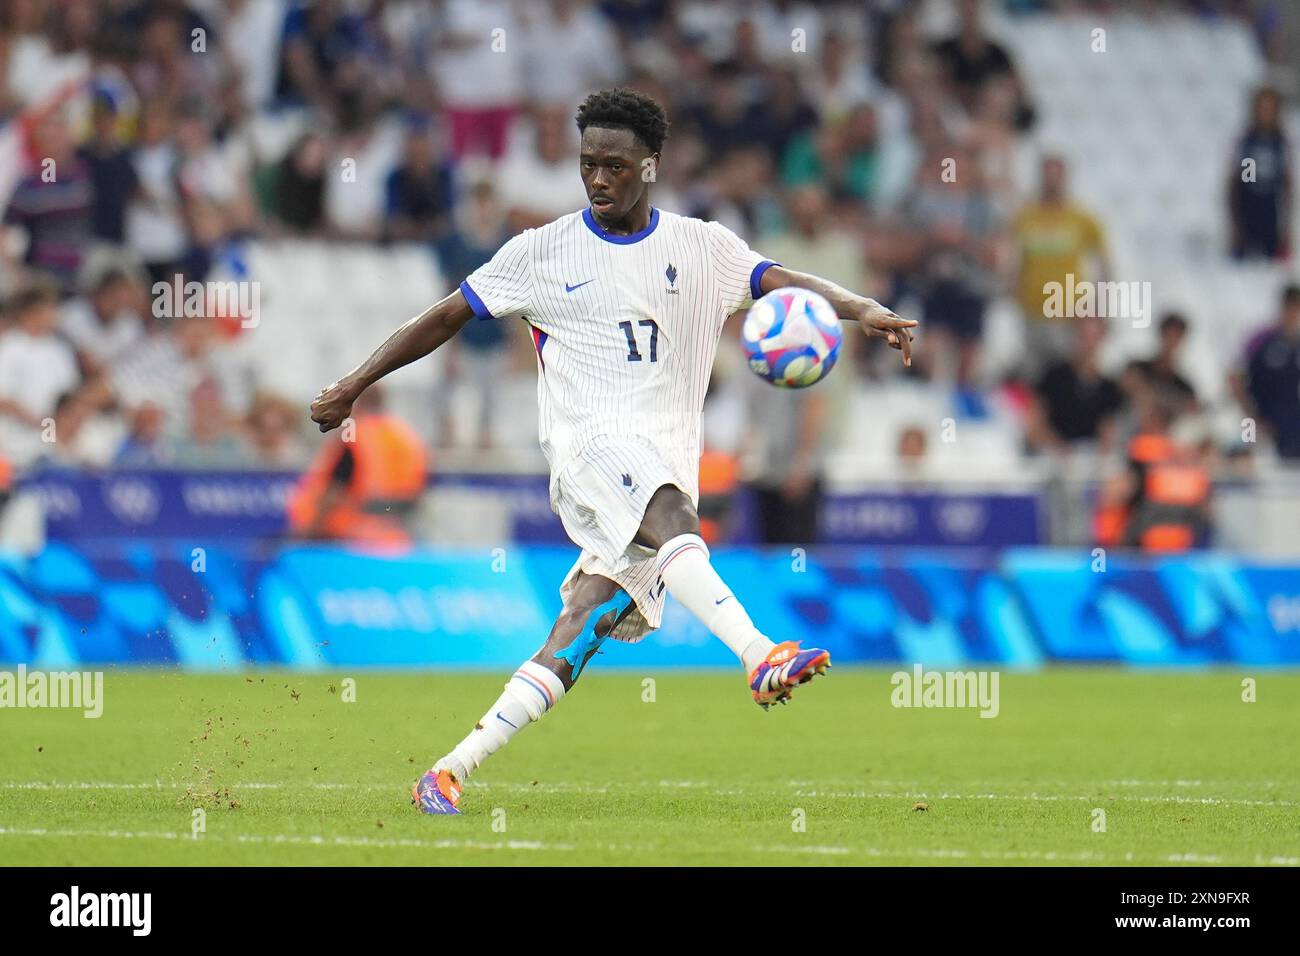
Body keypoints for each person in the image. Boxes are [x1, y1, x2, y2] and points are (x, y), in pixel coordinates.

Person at [310, 88, 916, 816]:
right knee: (673, 515)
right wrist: (353, 384)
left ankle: (447, 771)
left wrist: (864, 310)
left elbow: (780, 283)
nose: (599, 179)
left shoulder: (703, 248)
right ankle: (761, 655)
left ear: (650, 166)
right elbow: (445, 315)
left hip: (663, 452)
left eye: (615, 166)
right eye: (588, 164)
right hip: (588, 448)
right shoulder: (541, 251)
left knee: (585, 623)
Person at [1228, 86, 1292, 261]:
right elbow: (1236, 181)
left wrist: (1287, 227)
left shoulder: (1281, 142)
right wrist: (1235, 223)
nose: (1266, 113)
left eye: (1270, 109)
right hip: (1248, 207)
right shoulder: (1247, 140)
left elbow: (1287, 183)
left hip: (1271, 209)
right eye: (1263, 108)